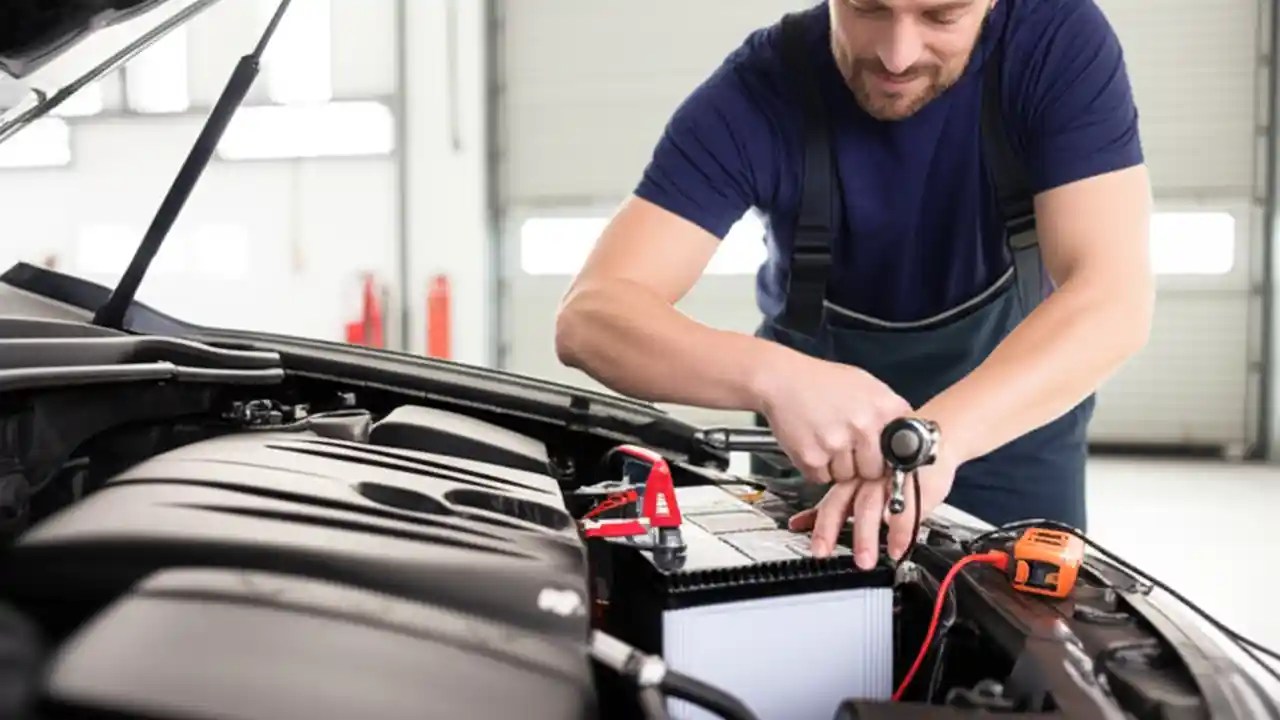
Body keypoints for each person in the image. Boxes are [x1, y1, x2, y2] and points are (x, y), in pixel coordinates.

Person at [554, 0, 1153, 571]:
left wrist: (934, 440)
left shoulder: (1054, 45)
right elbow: (592, 316)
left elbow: (1112, 298)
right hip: (817, 447)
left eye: (941, 15)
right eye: (868, 8)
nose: (897, 55)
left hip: (1009, 428)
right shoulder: (760, 91)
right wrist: (771, 376)